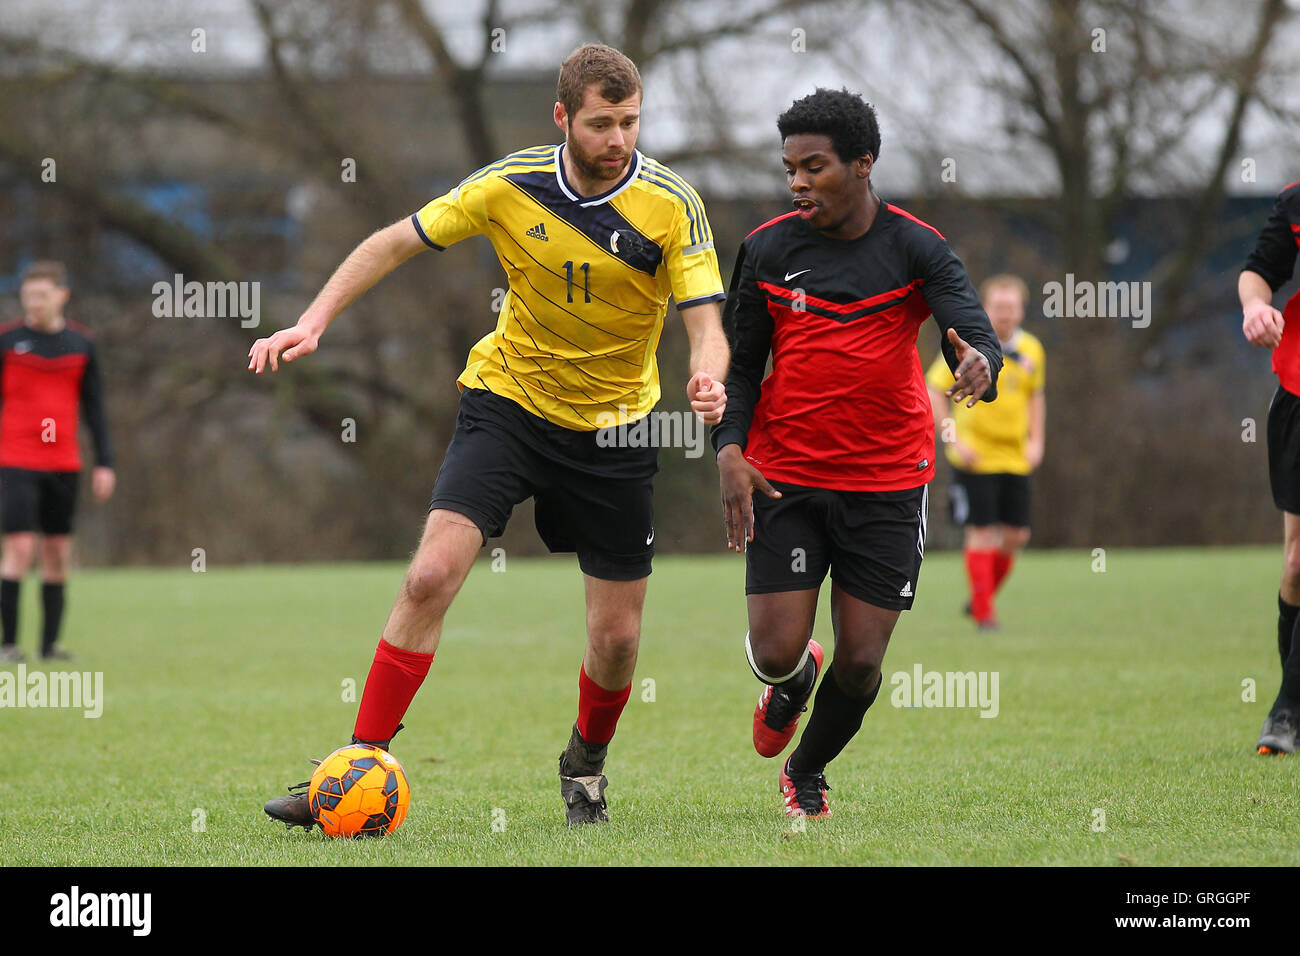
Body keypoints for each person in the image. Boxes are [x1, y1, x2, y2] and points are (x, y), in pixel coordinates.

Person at [251, 44, 729, 825]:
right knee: (428, 577)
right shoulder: (509, 185)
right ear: (562, 118)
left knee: (615, 642)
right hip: (507, 404)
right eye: (601, 124)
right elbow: (396, 240)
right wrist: (314, 318)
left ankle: (585, 768)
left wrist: (705, 374)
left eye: (630, 123)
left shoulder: (672, 204)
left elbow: (706, 319)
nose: (618, 140)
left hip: (614, 431)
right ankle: (352, 767)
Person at [712, 88, 1001, 817]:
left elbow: (971, 331)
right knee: (778, 650)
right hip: (787, 479)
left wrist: (981, 364)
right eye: (789, 170)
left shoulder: (917, 247)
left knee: (865, 660)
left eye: (814, 167)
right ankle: (791, 678)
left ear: (863, 164)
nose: (798, 183)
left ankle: (805, 771)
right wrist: (728, 449)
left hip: (887, 480)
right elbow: (743, 368)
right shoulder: (769, 249)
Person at [0, 260, 114, 664]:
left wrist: (105, 462)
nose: (34, 303)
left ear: (62, 295)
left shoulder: (82, 344)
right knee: (19, 546)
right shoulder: (7, 340)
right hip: (15, 458)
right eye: (28, 296)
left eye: (42, 295)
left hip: (63, 461)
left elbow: (95, 408)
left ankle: (49, 647)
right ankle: (9, 644)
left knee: (57, 551)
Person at [925, 274, 1044, 630]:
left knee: (1016, 535)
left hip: (1015, 456)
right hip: (974, 458)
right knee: (981, 533)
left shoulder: (1033, 351)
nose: (1004, 314)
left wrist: (1037, 440)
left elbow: (1036, 397)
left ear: (1021, 311)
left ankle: (981, 597)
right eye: (998, 307)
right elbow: (933, 393)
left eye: (1011, 307)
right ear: (985, 309)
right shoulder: (968, 348)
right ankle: (984, 614)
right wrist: (952, 439)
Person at [1241, 178, 1300, 755]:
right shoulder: (1296, 199)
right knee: (1297, 565)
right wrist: (1257, 305)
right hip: (1298, 394)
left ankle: (1286, 711)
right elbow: (1258, 270)